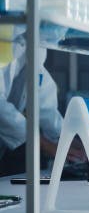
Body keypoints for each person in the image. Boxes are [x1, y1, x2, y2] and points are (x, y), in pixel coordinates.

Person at [0, 26, 83, 176]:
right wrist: (44, 144)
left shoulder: (33, 45)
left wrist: (67, 138)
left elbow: (42, 96)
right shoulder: (5, 37)